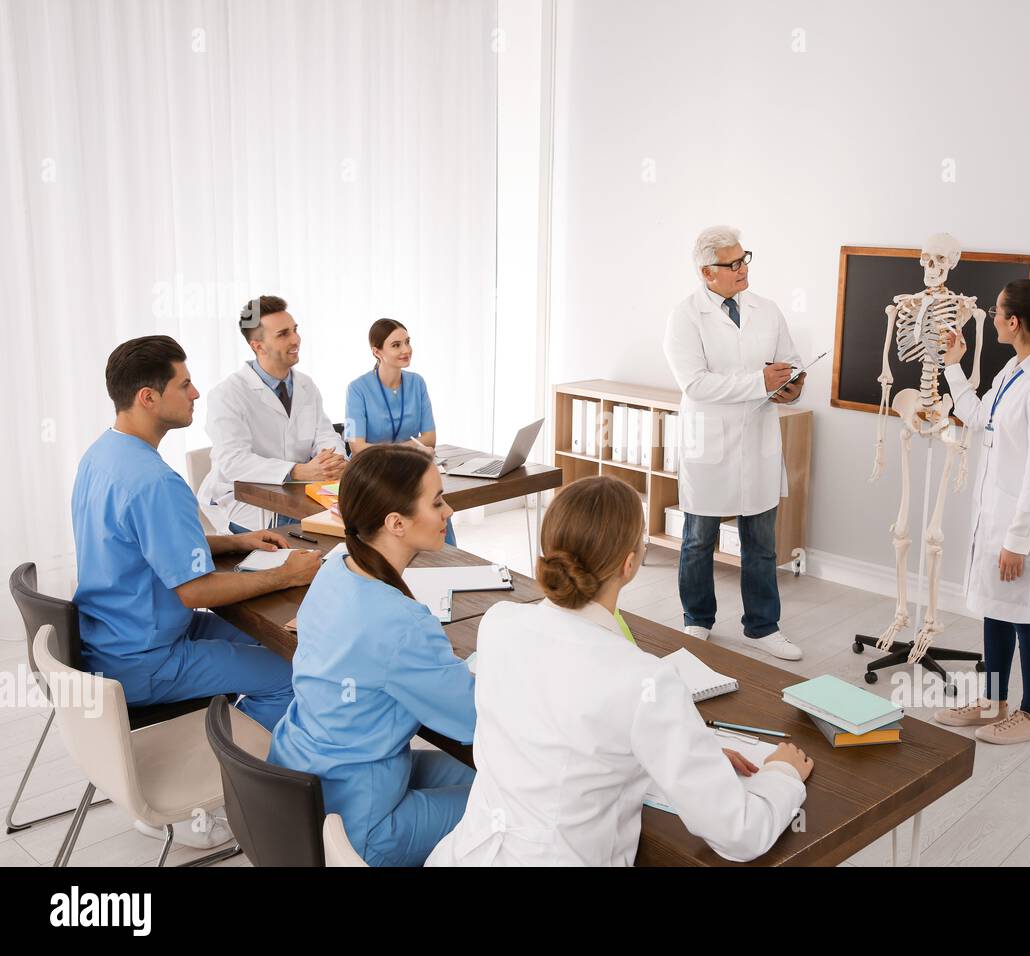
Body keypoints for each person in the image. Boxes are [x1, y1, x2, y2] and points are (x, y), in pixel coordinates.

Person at [427, 475, 812, 866]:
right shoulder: (644, 679)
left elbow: (563, 733)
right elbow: (739, 835)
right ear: (630, 564)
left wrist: (696, 751)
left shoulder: (499, 623)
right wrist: (781, 775)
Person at [73, 336, 321, 844]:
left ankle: (242, 751)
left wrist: (236, 542)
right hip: (146, 657)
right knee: (292, 674)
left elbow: (141, 542)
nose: (196, 393)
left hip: (114, 634)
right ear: (148, 397)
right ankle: (233, 788)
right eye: (184, 384)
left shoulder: (102, 455)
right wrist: (288, 575)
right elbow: (194, 591)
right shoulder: (156, 481)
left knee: (276, 640)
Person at [268, 443, 475, 866]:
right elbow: (473, 718)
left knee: (489, 776)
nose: (448, 512)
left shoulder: (335, 565)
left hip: (303, 779)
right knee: (519, 805)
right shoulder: (400, 623)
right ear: (396, 522)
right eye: (437, 502)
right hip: (361, 825)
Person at [935, 279, 1030, 744]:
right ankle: (994, 702)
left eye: (997, 311)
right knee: (996, 611)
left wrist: (1017, 540)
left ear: (1014, 322)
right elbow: (980, 418)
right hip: (999, 516)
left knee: (1027, 617)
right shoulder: (1013, 372)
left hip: (1026, 524)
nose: (992, 316)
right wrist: (954, 366)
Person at [662, 225, 807, 660]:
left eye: (745, 259)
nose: (743, 268)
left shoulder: (767, 309)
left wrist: (791, 386)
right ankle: (697, 620)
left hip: (758, 439)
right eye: (733, 263)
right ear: (708, 273)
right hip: (709, 441)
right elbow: (696, 384)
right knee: (698, 540)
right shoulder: (685, 317)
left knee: (761, 542)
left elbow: (792, 363)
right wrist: (758, 383)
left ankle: (762, 627)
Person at [199, 295, 346, 533]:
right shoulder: (227, 394)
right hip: (245, 500)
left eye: (295, 330)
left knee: (358, 516)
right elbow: (233, 461)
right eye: (283, 334)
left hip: (297, 493)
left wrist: (332, 461)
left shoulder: (306, 385)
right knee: (330, 533)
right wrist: (298, 471)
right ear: (258, 346)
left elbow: (325, 435)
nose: (296, 339)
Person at [344, 318, 455, 545]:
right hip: (373, 473)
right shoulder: (357, 389)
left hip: (410, 471)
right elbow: (358, 447)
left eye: (407, 342)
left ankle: (445, 557)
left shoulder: (417, 383)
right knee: (418, 505)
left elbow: (430, 439)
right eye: (396, 345)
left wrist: (412, 450)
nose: (406, 350)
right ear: (377, 352)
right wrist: (410, 448)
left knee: (436, 506)